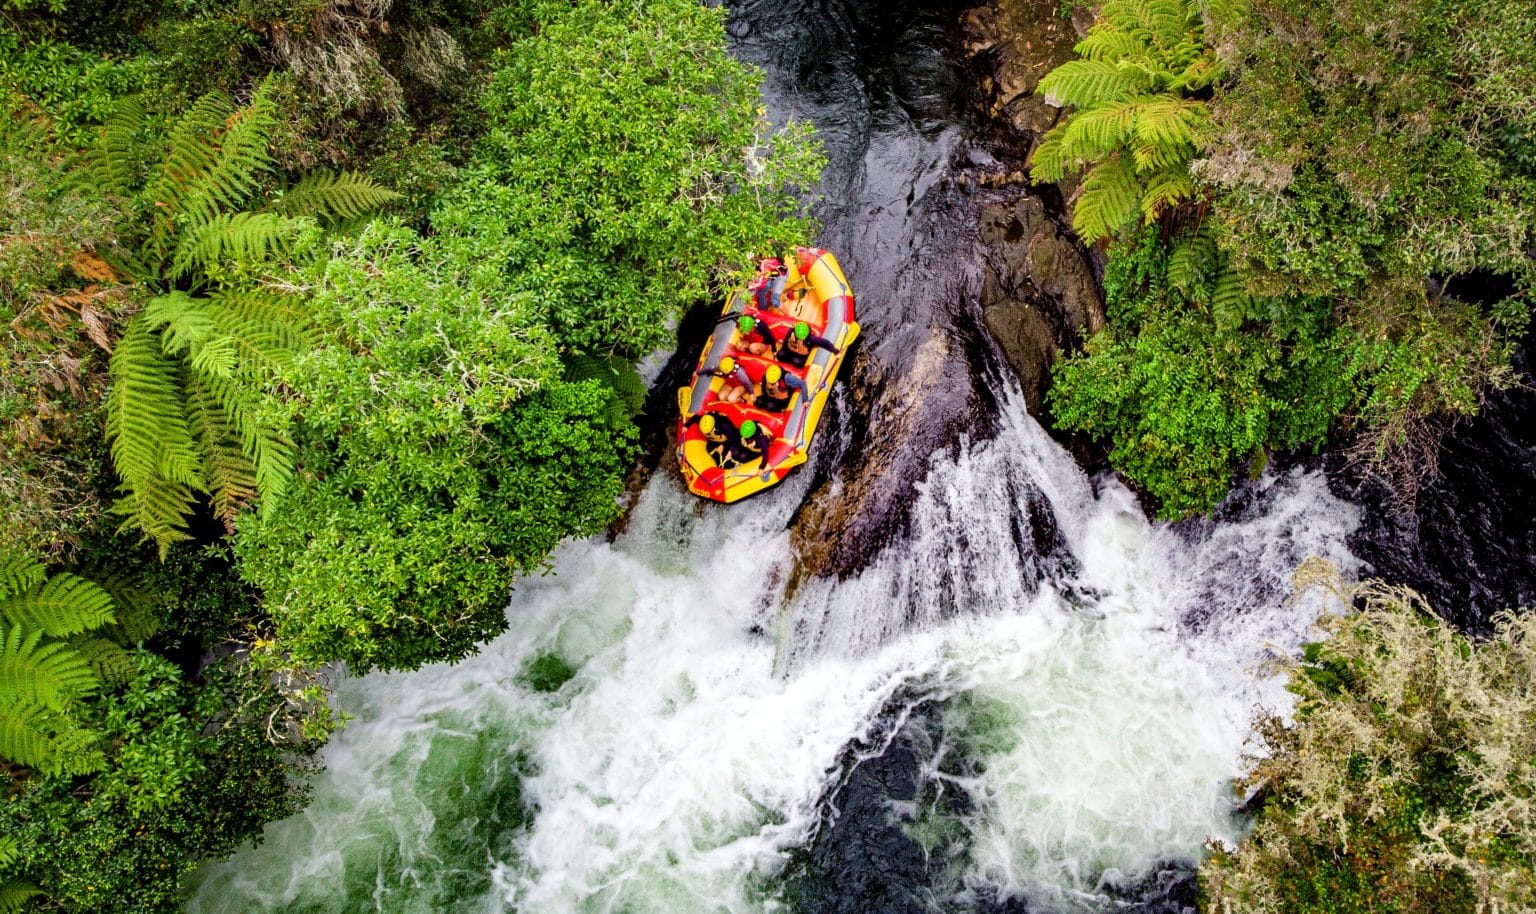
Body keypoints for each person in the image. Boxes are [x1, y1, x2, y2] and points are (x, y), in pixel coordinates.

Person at [775, 321, 840, 369]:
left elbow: (825, 342)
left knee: (796, 362)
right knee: (780, 355)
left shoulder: (811, 339)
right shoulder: (791, 332)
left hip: (801, 355)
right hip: (792, 351)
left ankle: (796, 365)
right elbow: (785, 345)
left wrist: (835, 351)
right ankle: (788, 364)